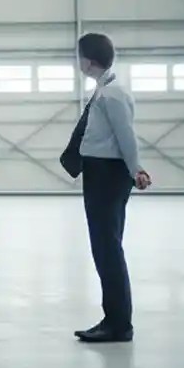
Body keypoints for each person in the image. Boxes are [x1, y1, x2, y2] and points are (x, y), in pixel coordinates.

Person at [62, 32, 151, 343]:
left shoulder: (112, 94)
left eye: (79, 56)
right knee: (105, 248)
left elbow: (126, 136)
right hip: (101, 172)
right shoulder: (105, 90)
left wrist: (135, 169)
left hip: (107, 174)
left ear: (88, 60)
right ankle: (113, 318)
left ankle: (118, 323)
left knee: (107, 249)